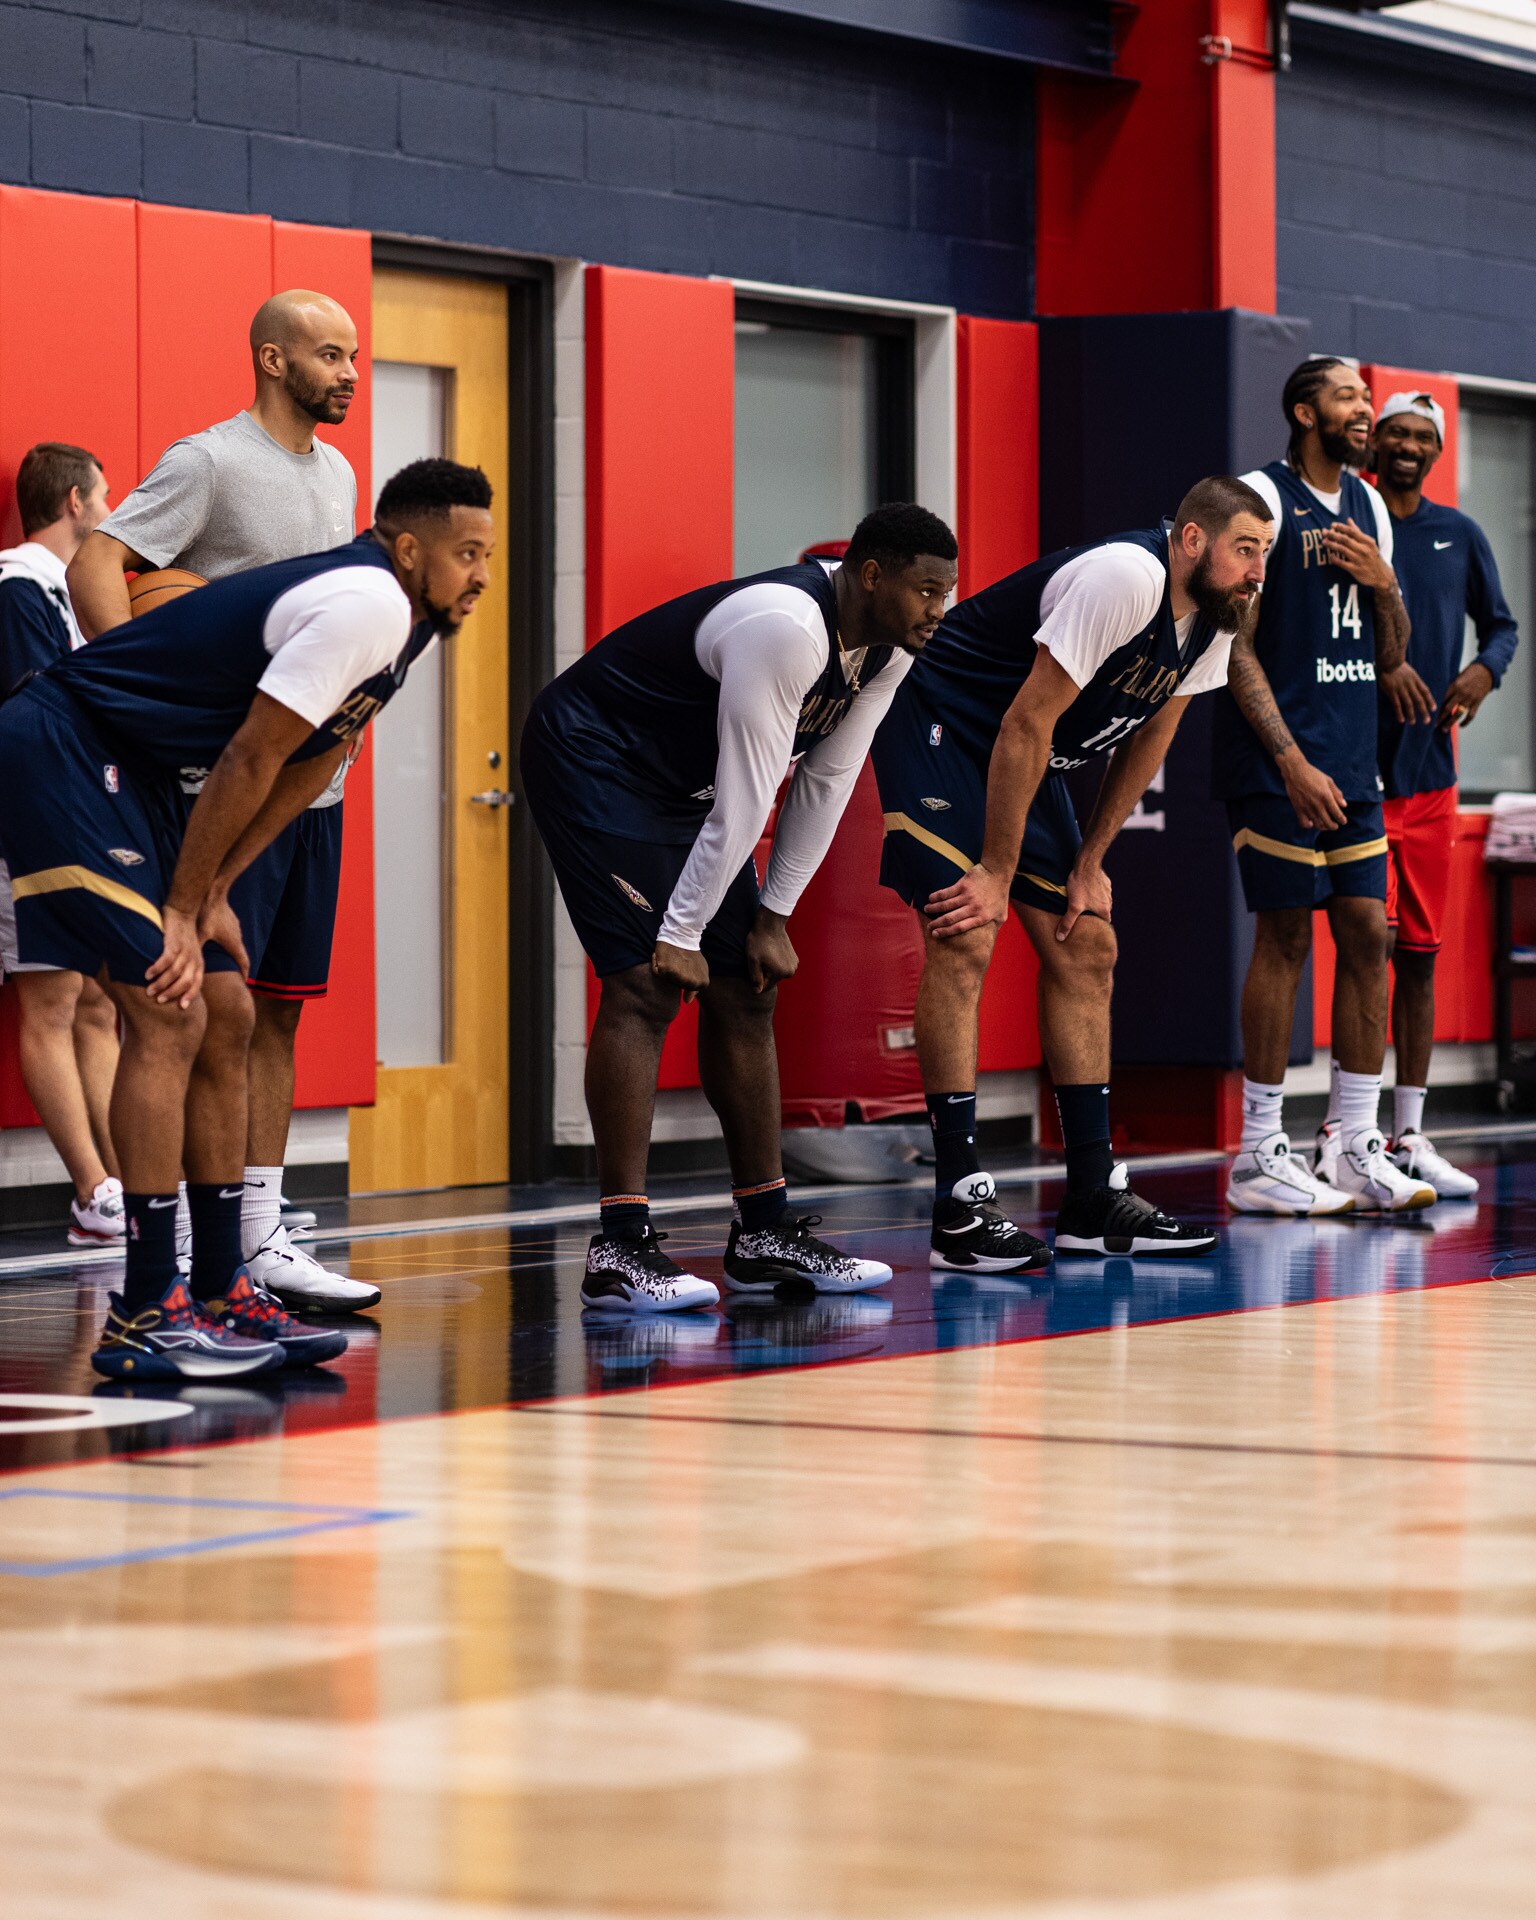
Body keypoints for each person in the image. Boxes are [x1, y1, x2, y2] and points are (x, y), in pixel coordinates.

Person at [0, 459, 493, 1378]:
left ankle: (223, 1286)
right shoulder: (367, 603)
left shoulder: (410, 623)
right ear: (409, 548)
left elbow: (316, 760)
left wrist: (220, 887)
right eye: (467, 554)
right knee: (170, 1006)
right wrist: (184, 907)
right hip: (62, 748)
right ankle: (148, 1310)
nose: (482, 575)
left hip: (136, 774)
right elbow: (249, 757)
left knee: (228, 1012)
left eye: (487, 557)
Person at [521, 503, 959, 1313]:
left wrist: (772, 919)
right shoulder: (787, 628)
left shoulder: (891, 652)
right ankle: (618, 1249)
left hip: (684, 787)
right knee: (645, 984)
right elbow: (749, 796)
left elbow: (827, 779)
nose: (940, 609)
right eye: (928, 591)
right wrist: (681, 932)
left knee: (749, 988)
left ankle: (763, 1233)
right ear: (872, 576)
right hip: (593, 758)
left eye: (948, 593)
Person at [873, 478, 1268, 1267]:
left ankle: (1092, 1198)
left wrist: (1091, 860)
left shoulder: (1219, 617)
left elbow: (1152, 735)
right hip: (946, 726)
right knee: (965, 931)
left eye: (1265, 554)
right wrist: (995, 870)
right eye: (1245, 549)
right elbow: (1027, 721)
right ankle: (959, 1204)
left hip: (1026, 754)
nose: (1258, 570)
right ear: (1192, 539)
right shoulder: (1125, 578)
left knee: (1087, 943)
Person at [67, 289, 365, 1305]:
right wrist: (138, 691)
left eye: (353, 356)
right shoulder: (209, 461)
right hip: (223, 784)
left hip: (312, 788)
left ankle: (261, 1234)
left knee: (278, 1015)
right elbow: (101, 561)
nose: (349, 374)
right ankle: (193, 1251)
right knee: (208, 1013)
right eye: (330, 355)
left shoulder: (339, 474)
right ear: (274, 359)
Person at [1215, 357, 1434, 1215]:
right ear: (1305, 412)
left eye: (1366, 398)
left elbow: (1392, 653)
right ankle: (1258, 1152)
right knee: (1284, 939)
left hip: (1352, 759)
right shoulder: (1259, 500)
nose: (1365, 410)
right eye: (1348, 396)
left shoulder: (1370, 507)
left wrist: (1385, 585)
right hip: (1278, 763)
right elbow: (1235, 648)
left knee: (1369, 936)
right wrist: (1289, 761)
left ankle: (1352, 1144)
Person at [1373, 390, 1519, 1197]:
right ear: (1374, 441)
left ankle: (1410, 1134)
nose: (1406, 444)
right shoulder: (1353, 523)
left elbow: (1502, 625)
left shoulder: (1459, 533)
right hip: (1359, 776)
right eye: (1394, 431)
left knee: (1419, 957)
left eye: (1420, 436)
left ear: (1435, 450)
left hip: (1431, 778)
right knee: (1367, 950)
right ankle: (1350, 1131)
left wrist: (1483, 673)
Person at [0, 442, 124, 1246]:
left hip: (77, 819)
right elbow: (36, 711)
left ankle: (128, 1182)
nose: (112, 509)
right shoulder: (19, 585)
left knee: (100, 1002)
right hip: (29, 822)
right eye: (105, 494)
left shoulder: (62, 591)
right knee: (48, 1002)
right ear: (75, 501)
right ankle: (91, 1193)